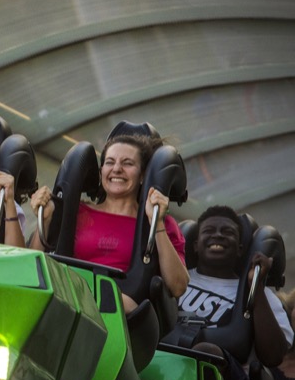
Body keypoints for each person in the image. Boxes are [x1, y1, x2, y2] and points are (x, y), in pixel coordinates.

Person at [28, 133, 189, 311]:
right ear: (101, 171)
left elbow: (178, 286)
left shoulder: (161, 221)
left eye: (127, 163)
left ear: (142, 175)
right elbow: (29, 268)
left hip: (122, 312)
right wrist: (45, 220)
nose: (117, 169)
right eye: (110, 162)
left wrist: (157, 224)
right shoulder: (75, 213)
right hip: (69, 299)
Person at [176, 206, 293, 380]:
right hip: (169, 362)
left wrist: (256, 288)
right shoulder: (178, 277)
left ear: (241, 249)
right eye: (209, 231)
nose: (218, 235)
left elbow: (274, 354)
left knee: (206, 353)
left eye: (227, 232)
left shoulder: (263, 295)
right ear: (196, 244)